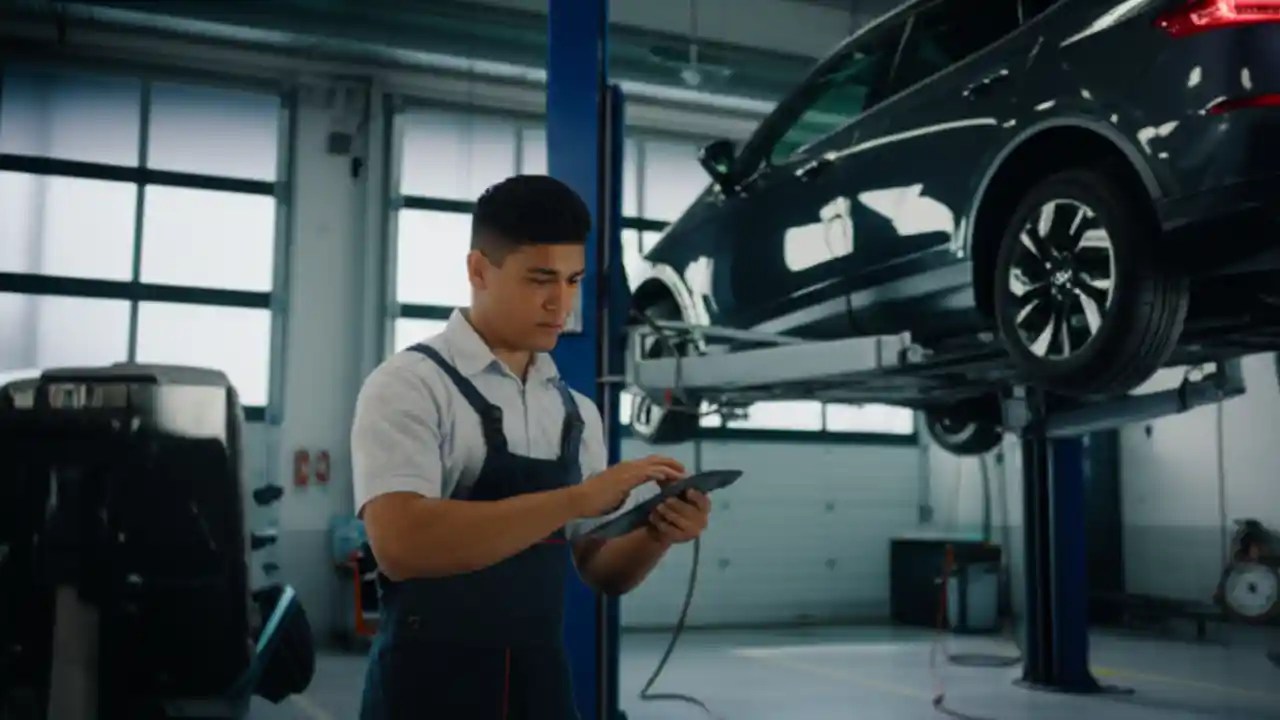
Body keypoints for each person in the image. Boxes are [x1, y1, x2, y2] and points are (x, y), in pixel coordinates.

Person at [351, 175, 713, 720]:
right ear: (478, 271)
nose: (560, 303)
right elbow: (402, 545)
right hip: (428, 690)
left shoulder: (575, 412)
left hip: (541, 686)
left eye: (573, 280)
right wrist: (575, 499)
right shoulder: (410, 385)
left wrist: (658, 532)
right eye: (539, 279)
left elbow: (600, 569)